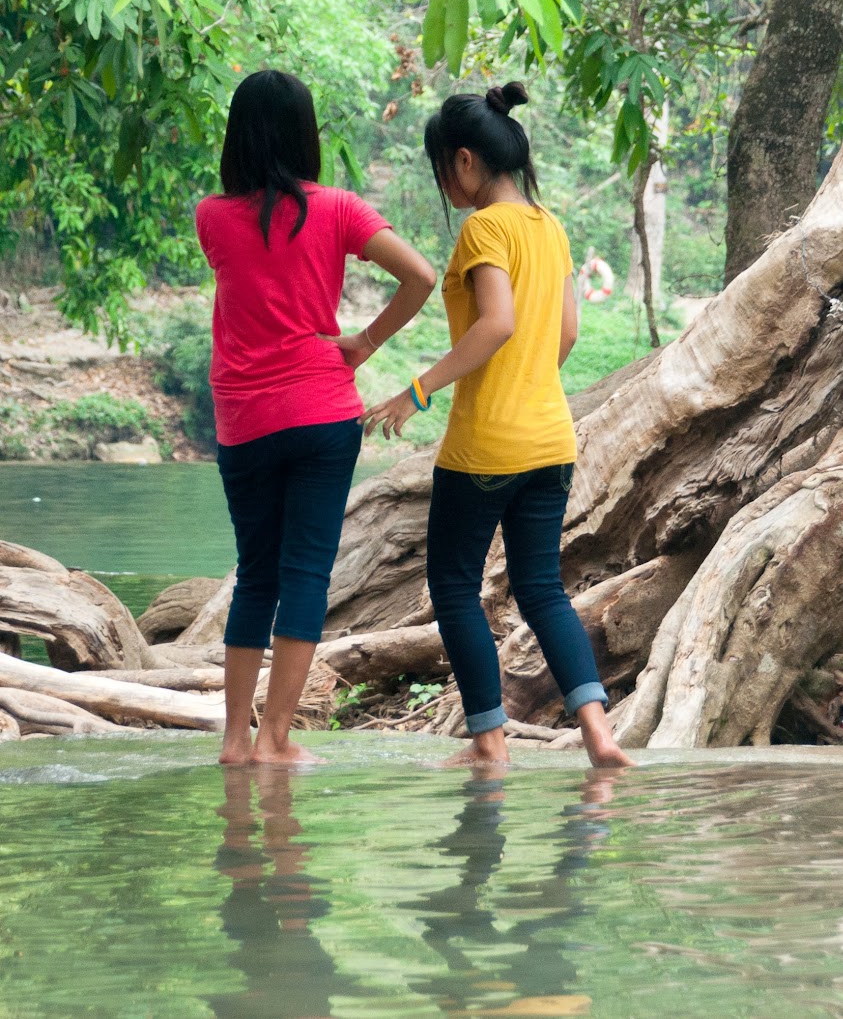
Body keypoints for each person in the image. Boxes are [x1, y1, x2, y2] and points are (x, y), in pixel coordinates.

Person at [364, 81, 632, 769]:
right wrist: (531, 381)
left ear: (463, 162)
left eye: (439, 170)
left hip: (486, 441)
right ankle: (599, 736)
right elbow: (565, 332)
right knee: (541, 587)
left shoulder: (484, 228)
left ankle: (488, 741)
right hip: (550, 438)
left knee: (454, 586)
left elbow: (498, 323)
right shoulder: (549, 226)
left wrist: (414, 391)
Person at [199, 69, 435, 766]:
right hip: (321, 410)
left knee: (256, 574)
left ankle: (235, 742)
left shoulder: (211, 215)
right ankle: (278, 739)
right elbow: (421, 275)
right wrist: (366, 341)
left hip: (243, 416)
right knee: (305, 574)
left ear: (237, 135)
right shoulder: (337, 209)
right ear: (306, 135)